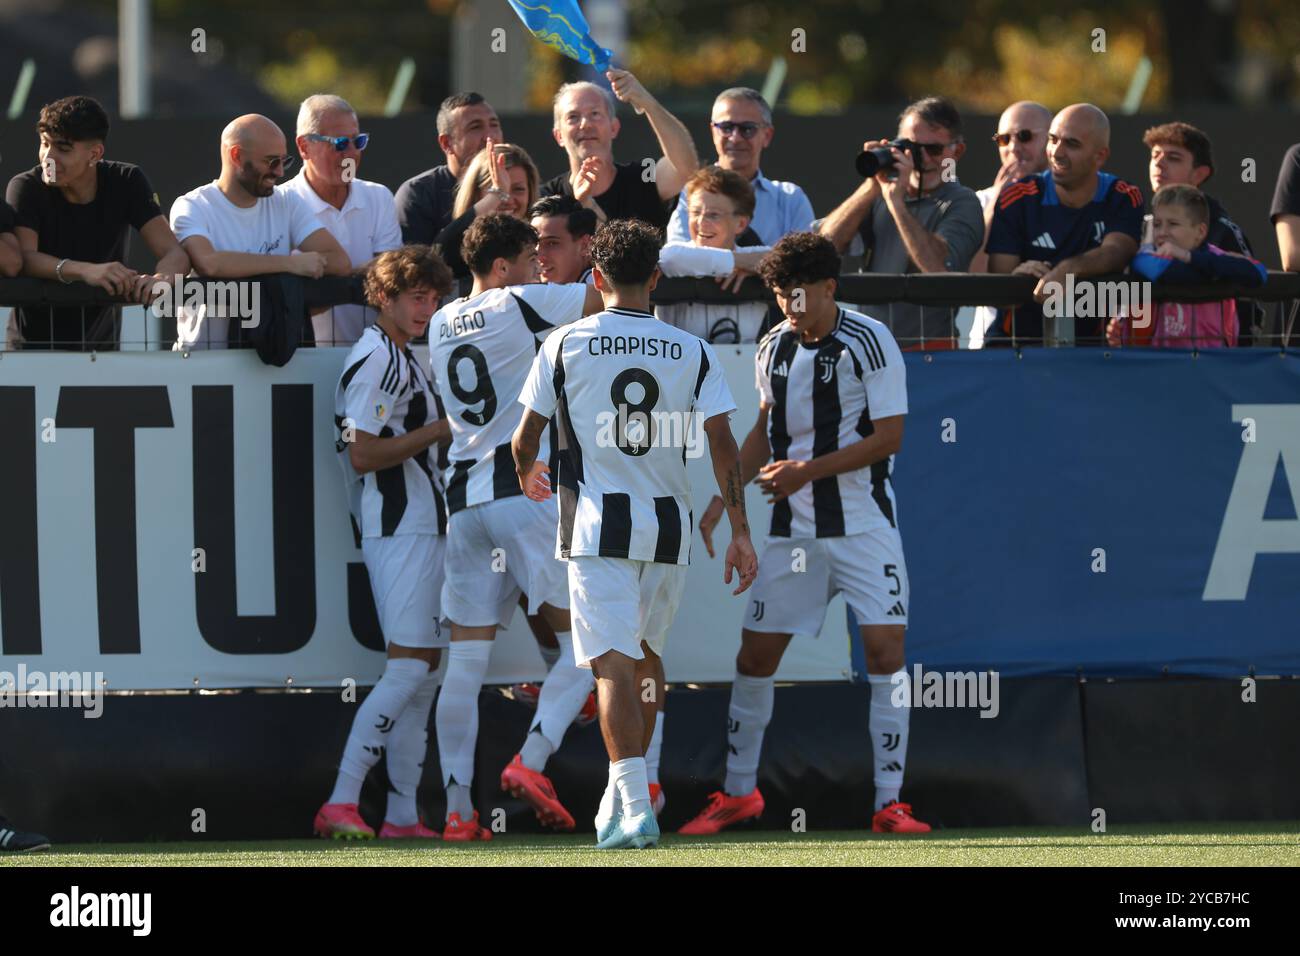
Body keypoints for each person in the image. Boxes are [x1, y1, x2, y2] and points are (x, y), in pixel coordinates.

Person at [513, 218, 757, 848]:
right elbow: (723, 444)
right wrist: (739, 531)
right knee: (646, 658)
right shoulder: (692, 349)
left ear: (596, 277)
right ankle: (631, 796)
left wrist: (528, 474)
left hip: (597, 529)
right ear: (656, 277)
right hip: (668, 531)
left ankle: (632, 805)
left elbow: (524, 439)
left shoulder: (564, 344)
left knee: (610, 665)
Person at [678, 232, 930, 836]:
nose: (790, 306)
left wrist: (805, 472)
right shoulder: (772, 348)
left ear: (828, 288)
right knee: (755, 656)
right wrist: (722, 500)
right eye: (779, 295)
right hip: (795, 536)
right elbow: (764, 430)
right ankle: (739, 793)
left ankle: (889, 802)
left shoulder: (870, 341)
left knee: (885, 654)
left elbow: (890, 437)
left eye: (800, 295)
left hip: (864, 527)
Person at [427, 214, 604, 840]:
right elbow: (609, 289)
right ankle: (531, 762)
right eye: (531, 257)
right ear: (502, 269)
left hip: (464, 499)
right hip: (522, 489)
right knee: (592, 639)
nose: (539, 266)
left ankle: (456, 813)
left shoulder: (440, 318)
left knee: (465, 665)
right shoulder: (519, 300)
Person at [314, 245, 455, 840]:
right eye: (413, 297)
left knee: (425, 672)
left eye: (432, 297)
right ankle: (342, 801)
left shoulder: (399, 353)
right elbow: (363, 452)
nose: (426, 308)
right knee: (409, 670)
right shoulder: (377, 358)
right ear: (383, 298)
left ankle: (401, 815)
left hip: (420, 523)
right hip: (399, 527)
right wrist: (443, 428)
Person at [5, 95, 189, 349]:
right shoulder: (25, 186)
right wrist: (87, 271)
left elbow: (174, 252)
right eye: (44, 144)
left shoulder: (127, 180)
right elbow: (25, 259)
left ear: (95, 153)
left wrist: (162, 279)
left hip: (102, 352)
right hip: (31, 351)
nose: (49, 156)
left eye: (63, 148)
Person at [170, 114, 351, 349]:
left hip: (273, 359)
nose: (279, 172)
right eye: (270, 161)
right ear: (236, 155)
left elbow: (340, 261)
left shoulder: (287, 202)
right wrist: (290, 265)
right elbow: (209, 263)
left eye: (284, 161)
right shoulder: (193, 206)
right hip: (205, 362)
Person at [819, 96, 983, 348]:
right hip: (870, 347)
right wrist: (871, 185)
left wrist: (896, 204)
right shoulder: (878, 195)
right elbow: (823, 249)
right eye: (911, 148)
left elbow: (938, 270)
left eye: (934, 150)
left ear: (957, 151)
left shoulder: (962, 202)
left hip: (928, 350)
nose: (922, 159)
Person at [985, 103, 1144, 346]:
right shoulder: (1017, 197)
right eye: (1052, 139)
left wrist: (1067, 270)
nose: (1057, 152)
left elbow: (1117, 252)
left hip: (1093, 353)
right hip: (1016, 350)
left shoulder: (1122, 196)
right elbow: (999, 283)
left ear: (1100, 156)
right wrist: (1017, 279)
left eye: (1072, 144)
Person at [281, 94, 401, 345]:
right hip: (302, 364)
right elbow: (282, 294)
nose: (350, 153)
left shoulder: (378, 197)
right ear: (304, 147)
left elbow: (390, 282)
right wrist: (359, 279)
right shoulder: (278, 203)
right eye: (339, 143)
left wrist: (318, 286)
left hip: (375, 358)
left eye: (358, 141)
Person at [1106, 185, 1266, 349]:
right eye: (1157, 224)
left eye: (1173, 224)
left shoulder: (1213, 254)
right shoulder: (1144, 259)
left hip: (1213, 366)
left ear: (1200, 232)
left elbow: (1259, 272)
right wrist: (1219, 273)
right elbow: (1165, 272)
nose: (1162, 232)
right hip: (1158, 365)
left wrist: (1188, 257)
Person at [540, 71, 698, 231]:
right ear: (559, 135)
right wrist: (585, 203)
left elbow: (686, 168)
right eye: (573, 117)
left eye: (595, 114)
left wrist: (647, 102)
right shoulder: (548, 197)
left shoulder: (643, 177)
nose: (585, 124)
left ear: (614, 128)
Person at [666, 87, 813, 247]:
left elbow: (805, 261)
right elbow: (677, 257)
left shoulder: (789, 200)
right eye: (726, 127)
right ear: (713, 132)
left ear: (767, 135)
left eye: (747, 129)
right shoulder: (690, 193)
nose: (735, 138)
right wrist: (750, 260)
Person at [964, 101, 1051, 348]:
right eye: (1004, 139)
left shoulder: (1072, 197)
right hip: (991, 350)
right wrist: (998, 202)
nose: (1014, 148)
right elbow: (972, 273)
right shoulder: (979, 201)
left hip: (1060, 345)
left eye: (1025, 137)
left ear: (1052, 139)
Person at [657, 165, 775, 344]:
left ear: (741, 224)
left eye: (713, 215)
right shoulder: (677, 254)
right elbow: (669, 258)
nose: (701, 222)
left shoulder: (757, 256)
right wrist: (740, 262)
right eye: (695, 212)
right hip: (679, 369)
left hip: (746, 369)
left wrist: (760, 264)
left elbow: (796, 260)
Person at [395, 93, 503, 244]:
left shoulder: (517, 184)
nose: (490, 136)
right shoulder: (419, 195)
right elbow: (415, 264)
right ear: (446, 143)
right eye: (475, 127)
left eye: (494, 125)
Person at [435, 140, 538, 280]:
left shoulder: (540, 242)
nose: (507, 199)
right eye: (494, 188)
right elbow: (439, 253)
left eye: (518, 189)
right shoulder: (458, 244)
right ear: (475, 193)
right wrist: (497, 194)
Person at [531, 195, 596, 285]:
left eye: (552, 243)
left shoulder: (607, 293)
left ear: (584, 245)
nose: (538, 256)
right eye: (533, 243)